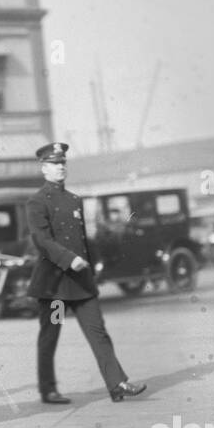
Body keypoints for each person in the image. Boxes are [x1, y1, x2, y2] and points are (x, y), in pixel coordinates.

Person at [26, 142, 146, 402]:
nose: (61, 168)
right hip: (55, 285)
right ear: (44, 168)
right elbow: (42, 241)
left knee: (98, 331)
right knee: (51, 334)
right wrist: (69, 260)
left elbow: (82, 239)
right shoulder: (36, 203)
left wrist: (95, 263)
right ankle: (47, 389)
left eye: (63, 163)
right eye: (55, 164)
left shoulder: (74, 200)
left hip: (81, 284)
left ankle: (118, 384)